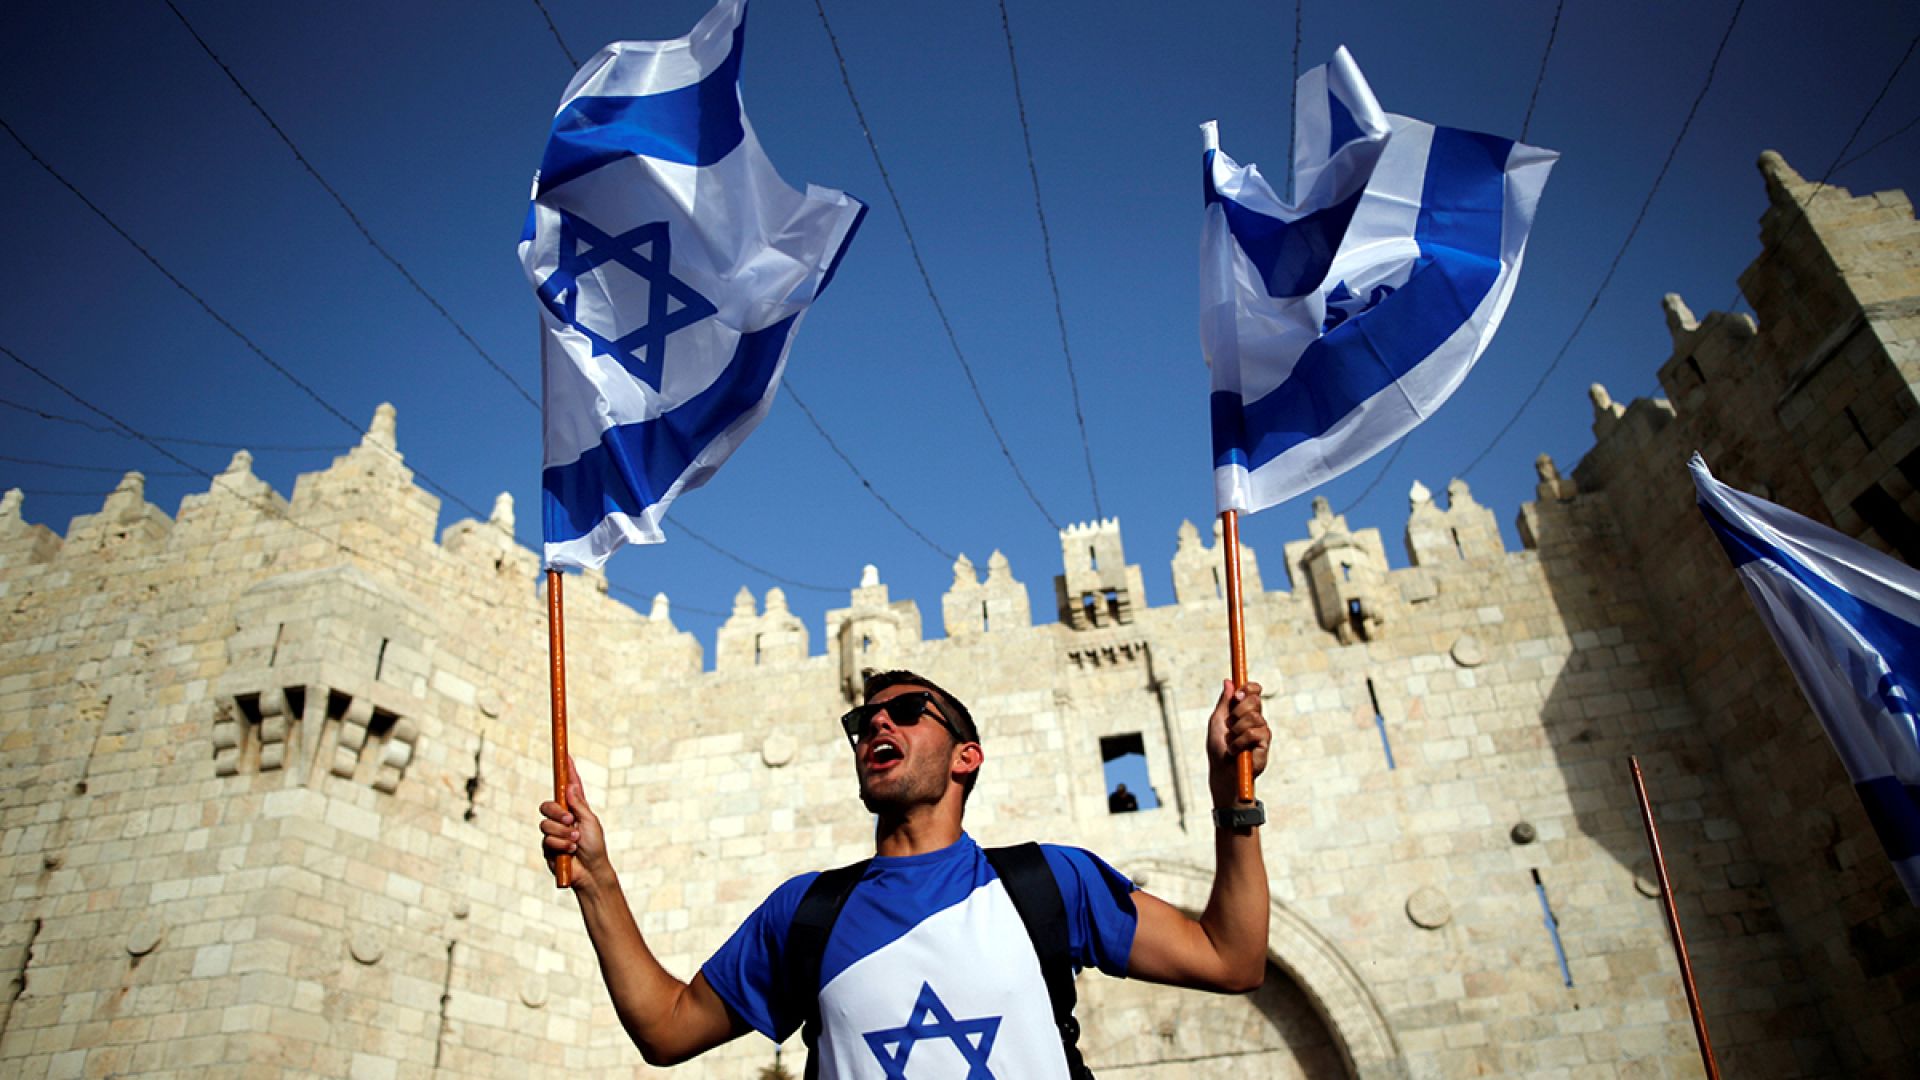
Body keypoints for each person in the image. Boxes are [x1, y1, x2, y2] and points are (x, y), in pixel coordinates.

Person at [538, 669, 1271, 1077]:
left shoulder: (1049, 883)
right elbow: (666, 1030)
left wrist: (1230, 792)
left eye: (908, 711)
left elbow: (1230, 957)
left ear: (966, 757)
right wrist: (598, 877)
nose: (877, 726)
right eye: (865, 723)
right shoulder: (806, 912)